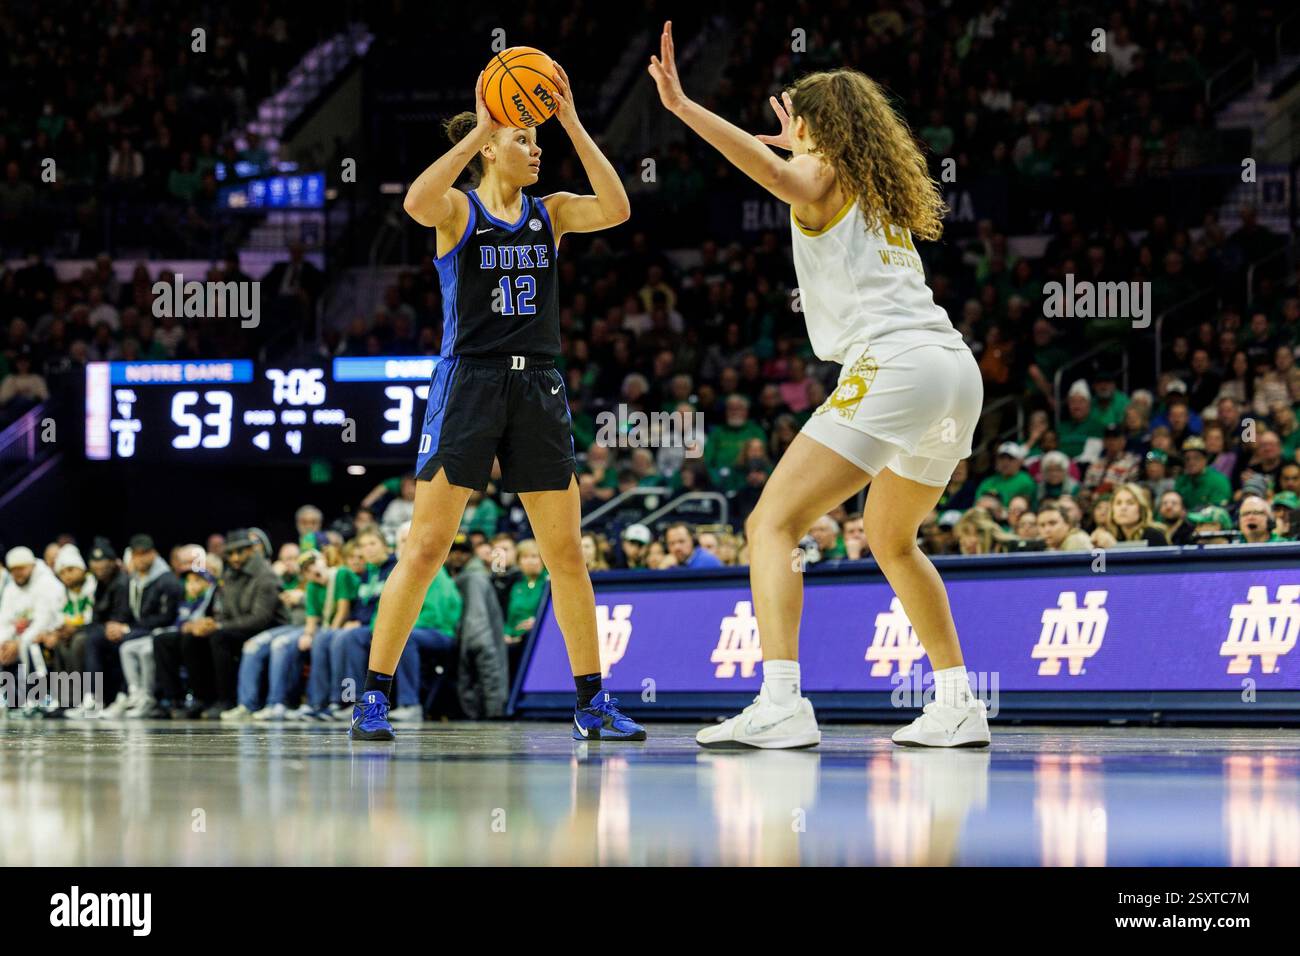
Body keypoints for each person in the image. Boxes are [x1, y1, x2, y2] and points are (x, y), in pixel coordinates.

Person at [651, 23, 987, 748]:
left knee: (771, 524)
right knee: (894, 540)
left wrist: (683, 108)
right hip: (954, 370)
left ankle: (782, 702)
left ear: (809, 126)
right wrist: (798, 147)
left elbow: (780, 178)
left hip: (896, 365)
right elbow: (795, 174)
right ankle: (959, 701)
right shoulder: (874, 186)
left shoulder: (822, 176)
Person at [355, 60, 642, 742]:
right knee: (425, 547)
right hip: (470, 383)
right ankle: (373, 697)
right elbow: (415, 202)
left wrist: (570, 122)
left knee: (566, 552)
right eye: (524, 138)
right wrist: (480, 128)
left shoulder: (554, 213)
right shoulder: (459, 209)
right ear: (489, 148)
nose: (536, 148)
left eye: (539, 139)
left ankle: (591, 701)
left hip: (538, 384)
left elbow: (620, 207)